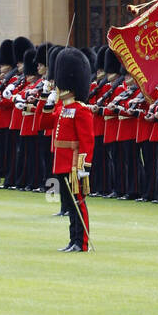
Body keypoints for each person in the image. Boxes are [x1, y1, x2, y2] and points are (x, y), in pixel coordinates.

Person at [39, 47, 95, 252]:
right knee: (70, 206)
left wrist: (83, 166)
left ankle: (82, 242)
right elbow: (44, 124)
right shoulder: (62, 108)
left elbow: (87, 141)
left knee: (78, 203)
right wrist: (47, 101)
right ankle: (73, 240)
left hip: (74, 165)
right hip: (61, 162)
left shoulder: (82, 111)